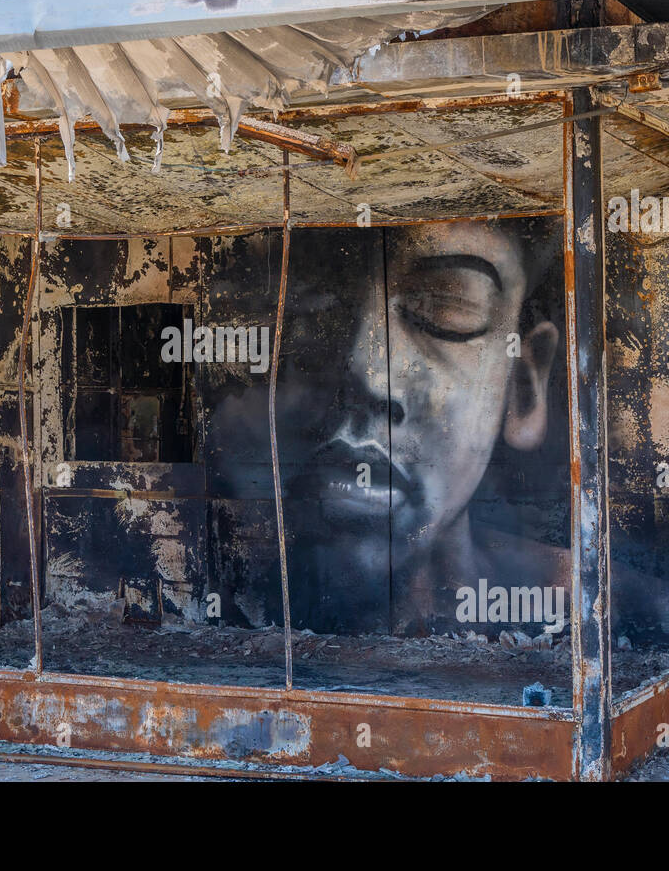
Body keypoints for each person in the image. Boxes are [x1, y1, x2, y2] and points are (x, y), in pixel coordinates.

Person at [206, 216, 570, 635]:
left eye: (442, 309)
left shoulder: (589, 610)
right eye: (310, 309)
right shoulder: (199, 596)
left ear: (524, 385)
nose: (371, 376)